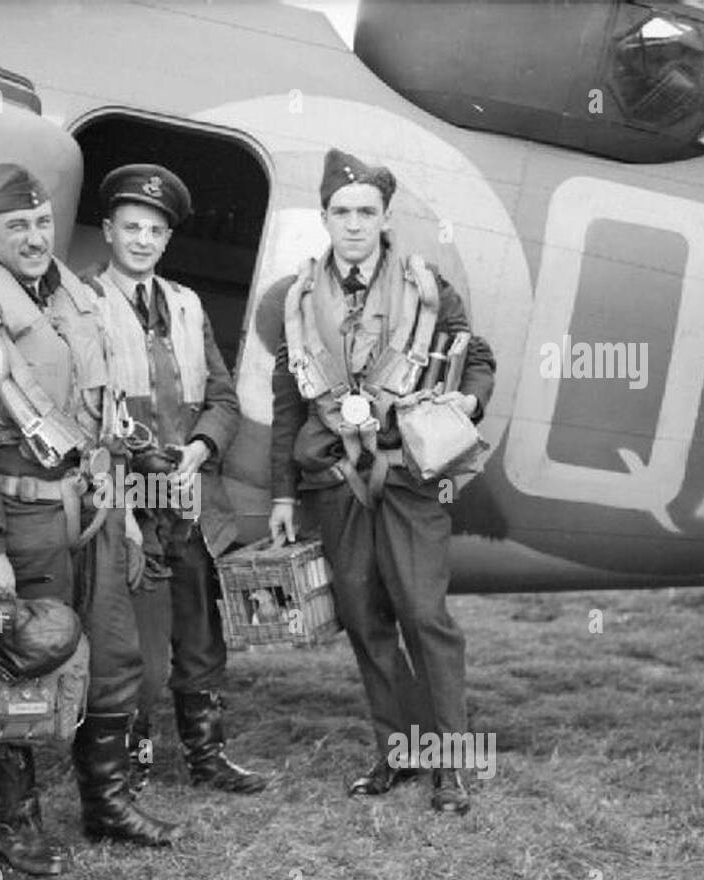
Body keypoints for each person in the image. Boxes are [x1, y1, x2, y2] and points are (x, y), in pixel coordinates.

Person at [0, 163, 183, 878]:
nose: (35, 238)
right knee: (17, 670)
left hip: (94, 509)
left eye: (42, 223)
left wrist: (124, 509)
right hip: (19, 516)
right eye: (17, 227)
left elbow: (102, 418)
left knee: (112, 654)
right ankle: (19, 822)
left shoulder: (76, 299)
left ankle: (107, 802)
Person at [268, 148, 495, 815]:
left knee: (425, 616)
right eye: (342, 212)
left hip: (406, 474)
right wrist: (284, 493)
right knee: (365, 621)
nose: (355, 224)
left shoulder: (425, 284)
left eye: (367, 211)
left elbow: (474, 356)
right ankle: (400, 751)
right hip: (336, 478)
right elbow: (289, 400)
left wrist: (467, 405)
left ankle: (452, 763)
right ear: (325, 217)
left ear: (385, 216)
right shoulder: (300, 296)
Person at [84, 164, 267, 796]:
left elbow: (223, 396)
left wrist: (199, 447)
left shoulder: (188, 306)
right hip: (129, 501)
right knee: (137, 646)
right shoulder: (83, 303)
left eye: (155, 230)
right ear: (108, 231)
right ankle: (129, 765)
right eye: (131, 226)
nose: (142, 240)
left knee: (200, 635)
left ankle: (208, 758)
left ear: (167, 240)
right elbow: (81, 411)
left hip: (192, 501)